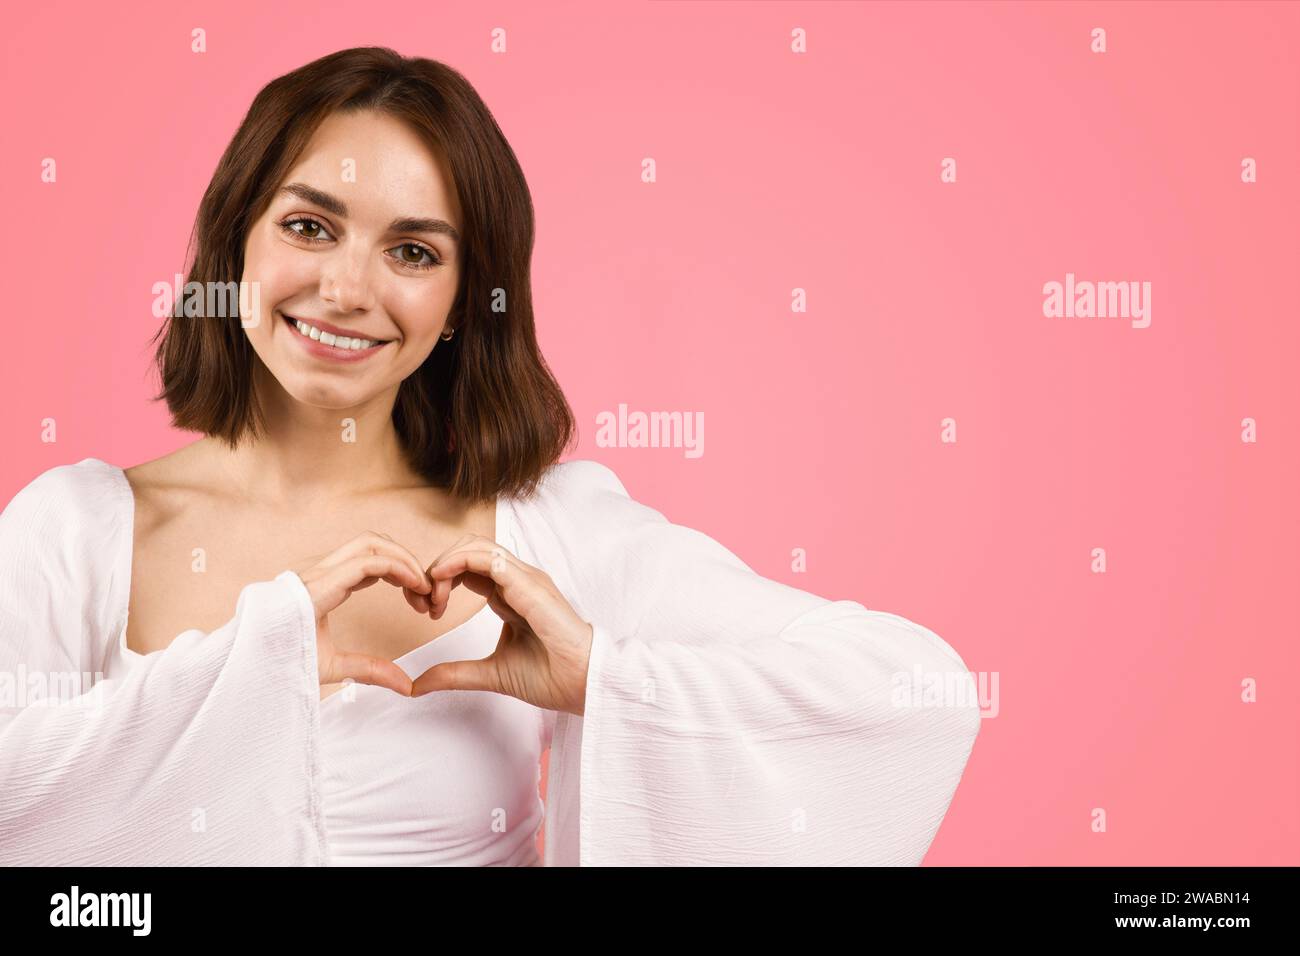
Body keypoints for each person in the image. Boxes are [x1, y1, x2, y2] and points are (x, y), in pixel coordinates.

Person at [0, 47, 980, 866]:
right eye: (309, 225)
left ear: (468, 300)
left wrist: (608, 676)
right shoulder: (76, 531)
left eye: (414, 252)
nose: (347, 287)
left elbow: (910, 689)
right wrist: (249, 668)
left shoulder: (556, 532)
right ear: (235, 242)